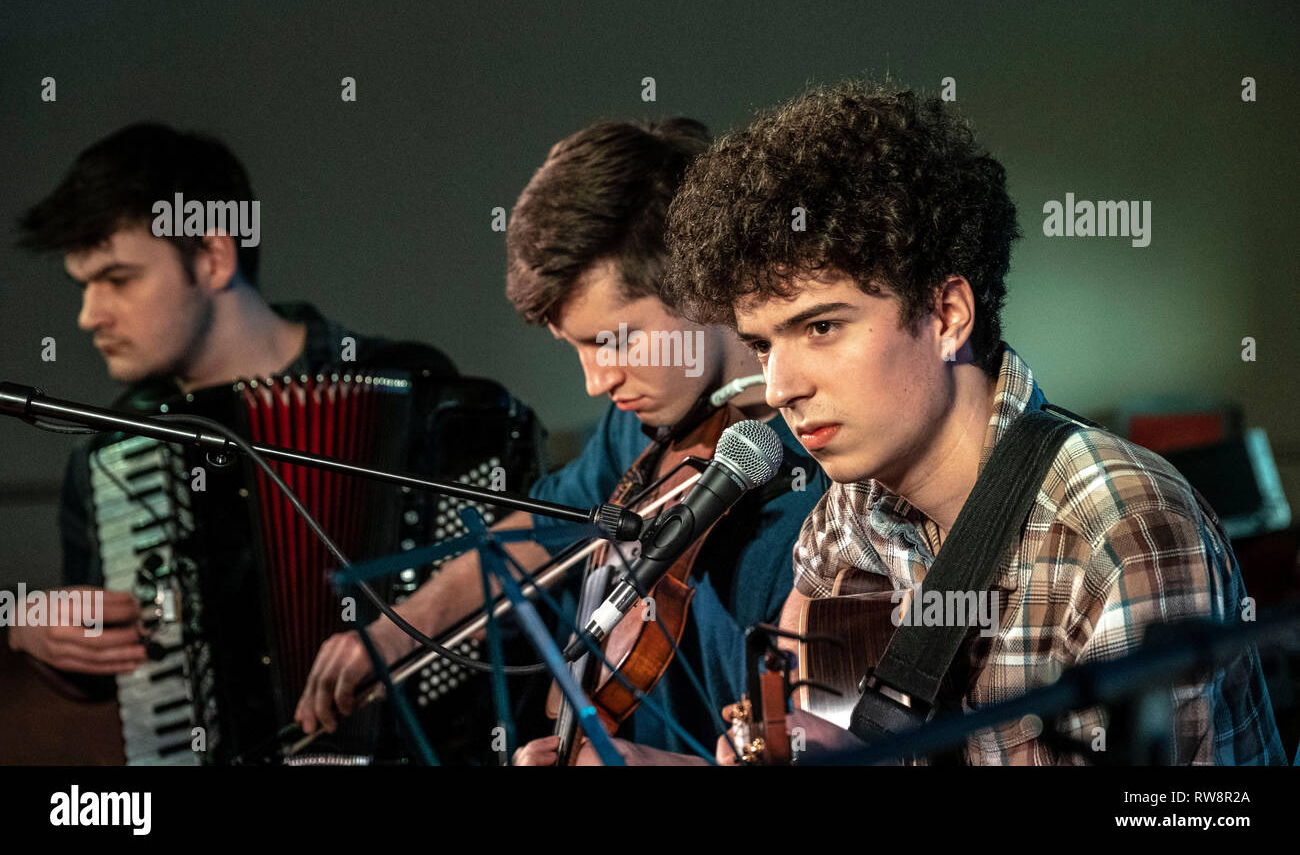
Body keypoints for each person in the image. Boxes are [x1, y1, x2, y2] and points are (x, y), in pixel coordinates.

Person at [661, 80, 1286, 765]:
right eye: (762, 344)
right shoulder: (854, 503)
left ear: (948, 315)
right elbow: (828, 719)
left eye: (820, 326)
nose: (779, 387)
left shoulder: (1120, 529)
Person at [295, 118, 829, 763]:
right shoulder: (644, 430)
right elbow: (531, 538)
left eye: (613, 340)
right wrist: (396, 632)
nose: (596, 381)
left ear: (703, 281)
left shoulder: (827, 483)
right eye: (575, 347)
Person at [8, 123, 459, 701]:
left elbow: (494, 593)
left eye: (116, 279)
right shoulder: (110, 456)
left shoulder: (408, 386)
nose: (88, 315)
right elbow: (104, 678)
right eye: (82, 286)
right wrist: (30, 631)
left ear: (214, 257)